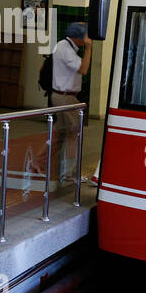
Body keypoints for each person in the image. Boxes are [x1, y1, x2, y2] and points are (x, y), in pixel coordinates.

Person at [50, 22, 93, 183]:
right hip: (65, 98)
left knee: (59, 135)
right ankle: (67, 174)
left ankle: (38, 164)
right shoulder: (65, 49)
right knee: (73, 134)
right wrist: (88, 48)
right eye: (85, 37)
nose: (87, 40)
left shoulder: (63, 46)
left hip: (64, 96)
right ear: (78, 38)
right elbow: (83, 69)